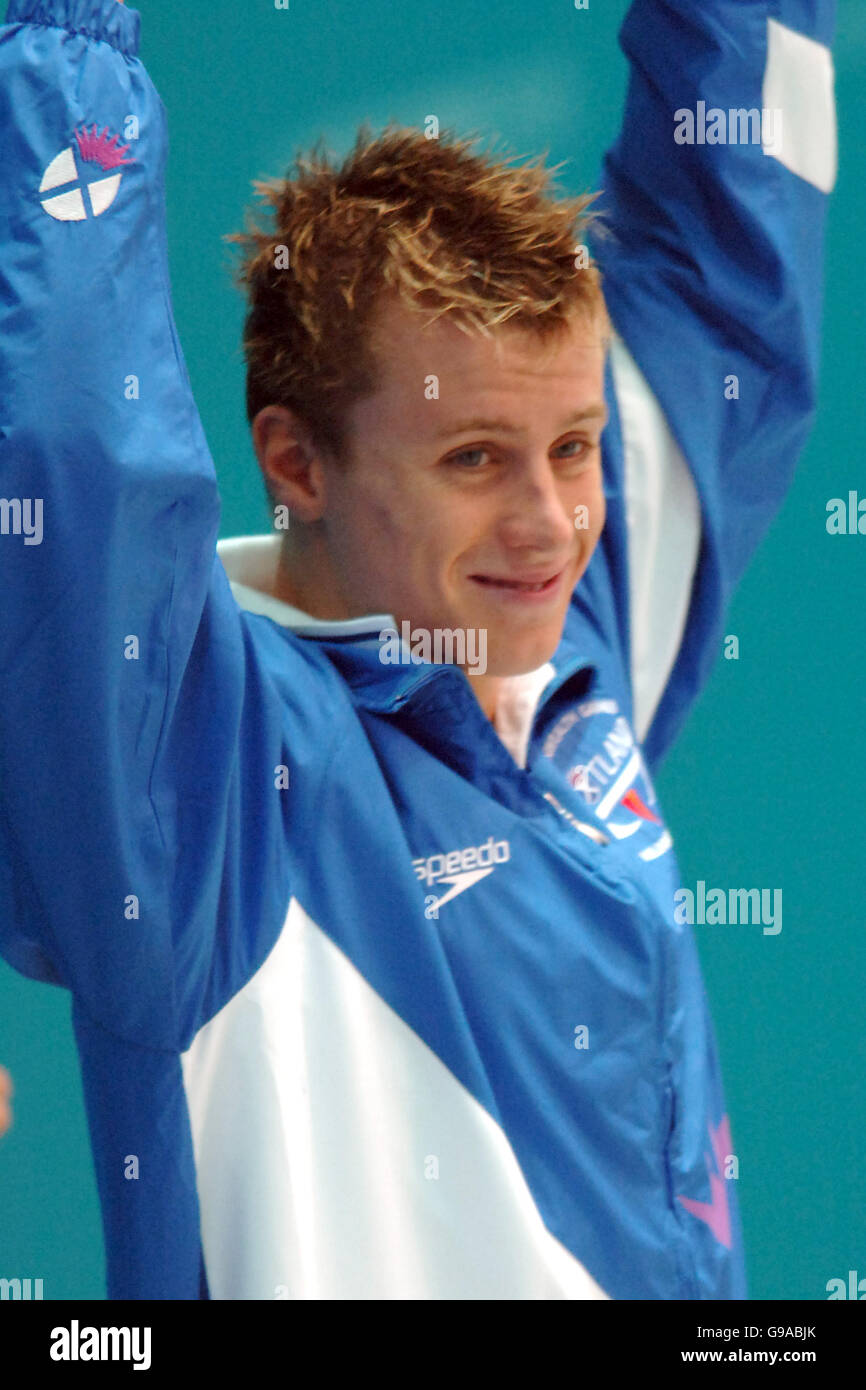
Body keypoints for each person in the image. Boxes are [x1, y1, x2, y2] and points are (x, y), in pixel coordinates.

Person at [0, 0, 836, 1300]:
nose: (552, 520)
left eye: (571, 446)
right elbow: (71, 430)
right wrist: (59, 40)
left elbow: (736, 252)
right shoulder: (204, 783)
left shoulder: (571, 638)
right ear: (295, 462)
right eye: (471, 460)